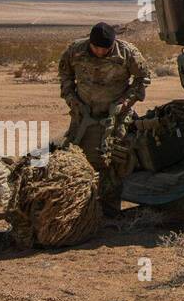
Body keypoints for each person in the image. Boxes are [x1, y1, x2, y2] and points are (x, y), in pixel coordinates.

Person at [57, 22, 150, 214]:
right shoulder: (75, 50)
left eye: (105, 48)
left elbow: (143, 78)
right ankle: (81, 206)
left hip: (116, 117)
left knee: (114, 160)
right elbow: (65, 74)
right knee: (77, 157)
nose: (100, 52)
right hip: (83, 115)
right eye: (96, 47)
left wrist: (125, 102)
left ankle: (110, 209)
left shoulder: (127, 53)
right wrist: (71, 98)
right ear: (89, 43)